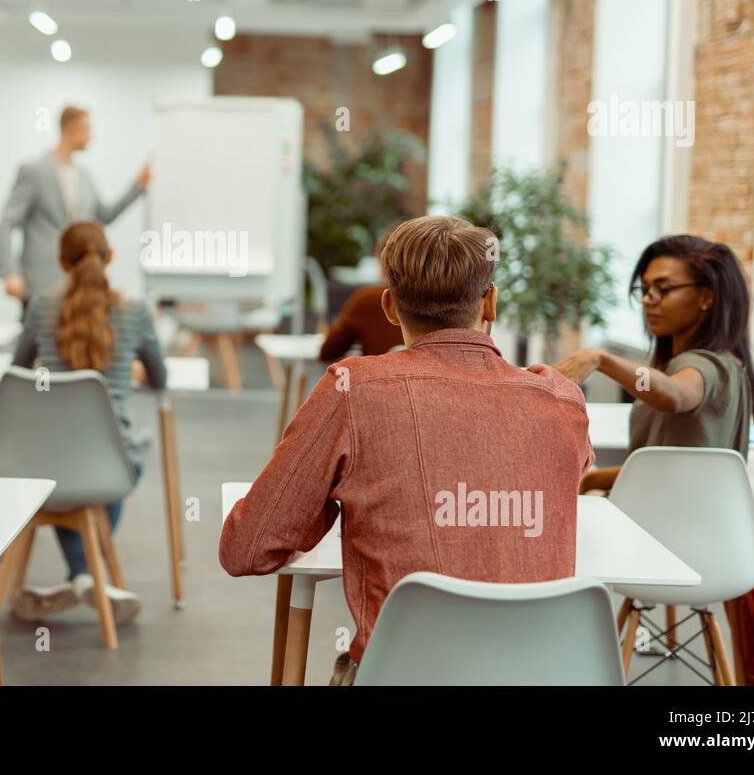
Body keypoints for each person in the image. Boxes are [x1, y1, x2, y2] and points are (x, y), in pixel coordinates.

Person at [220, 215, 594, 685]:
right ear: (491, 302)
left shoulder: (353, 391)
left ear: (390, 307)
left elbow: (247, 548)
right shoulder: (561, 399)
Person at [10, 220, 167, 625]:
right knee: (117, 454)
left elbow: (18, 370)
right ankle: (87, 575)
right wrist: (131, 370)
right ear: (109, 257)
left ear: (62, 261)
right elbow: (160, 377)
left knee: (68, 472)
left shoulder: (41, 306)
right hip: (113, 465)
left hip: (47, 462)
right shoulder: (134, 310)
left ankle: (80, 575)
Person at [555, 234, 754, 493]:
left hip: (661, 516)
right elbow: (663, 471)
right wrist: (591, 480)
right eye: (645, 289)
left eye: (663, 289)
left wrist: (600, 359)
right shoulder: (728, 364)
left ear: (706, 297)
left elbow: (676, 395)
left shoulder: (705, 365)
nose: (647, 299)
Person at [0, 105, 151, 307]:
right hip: (39, 283)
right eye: (87, 129)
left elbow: (105, 216)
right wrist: (9, 273)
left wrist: (137, 186)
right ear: (70, 129)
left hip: (77, 284)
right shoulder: (34, 171)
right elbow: (6, 223)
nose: (91, 136)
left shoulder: (85, 176)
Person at [319, 229, 405, 362]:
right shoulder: (434, 300)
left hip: (378, 373)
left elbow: (328, 351)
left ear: (381, 259)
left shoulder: (367, 299)